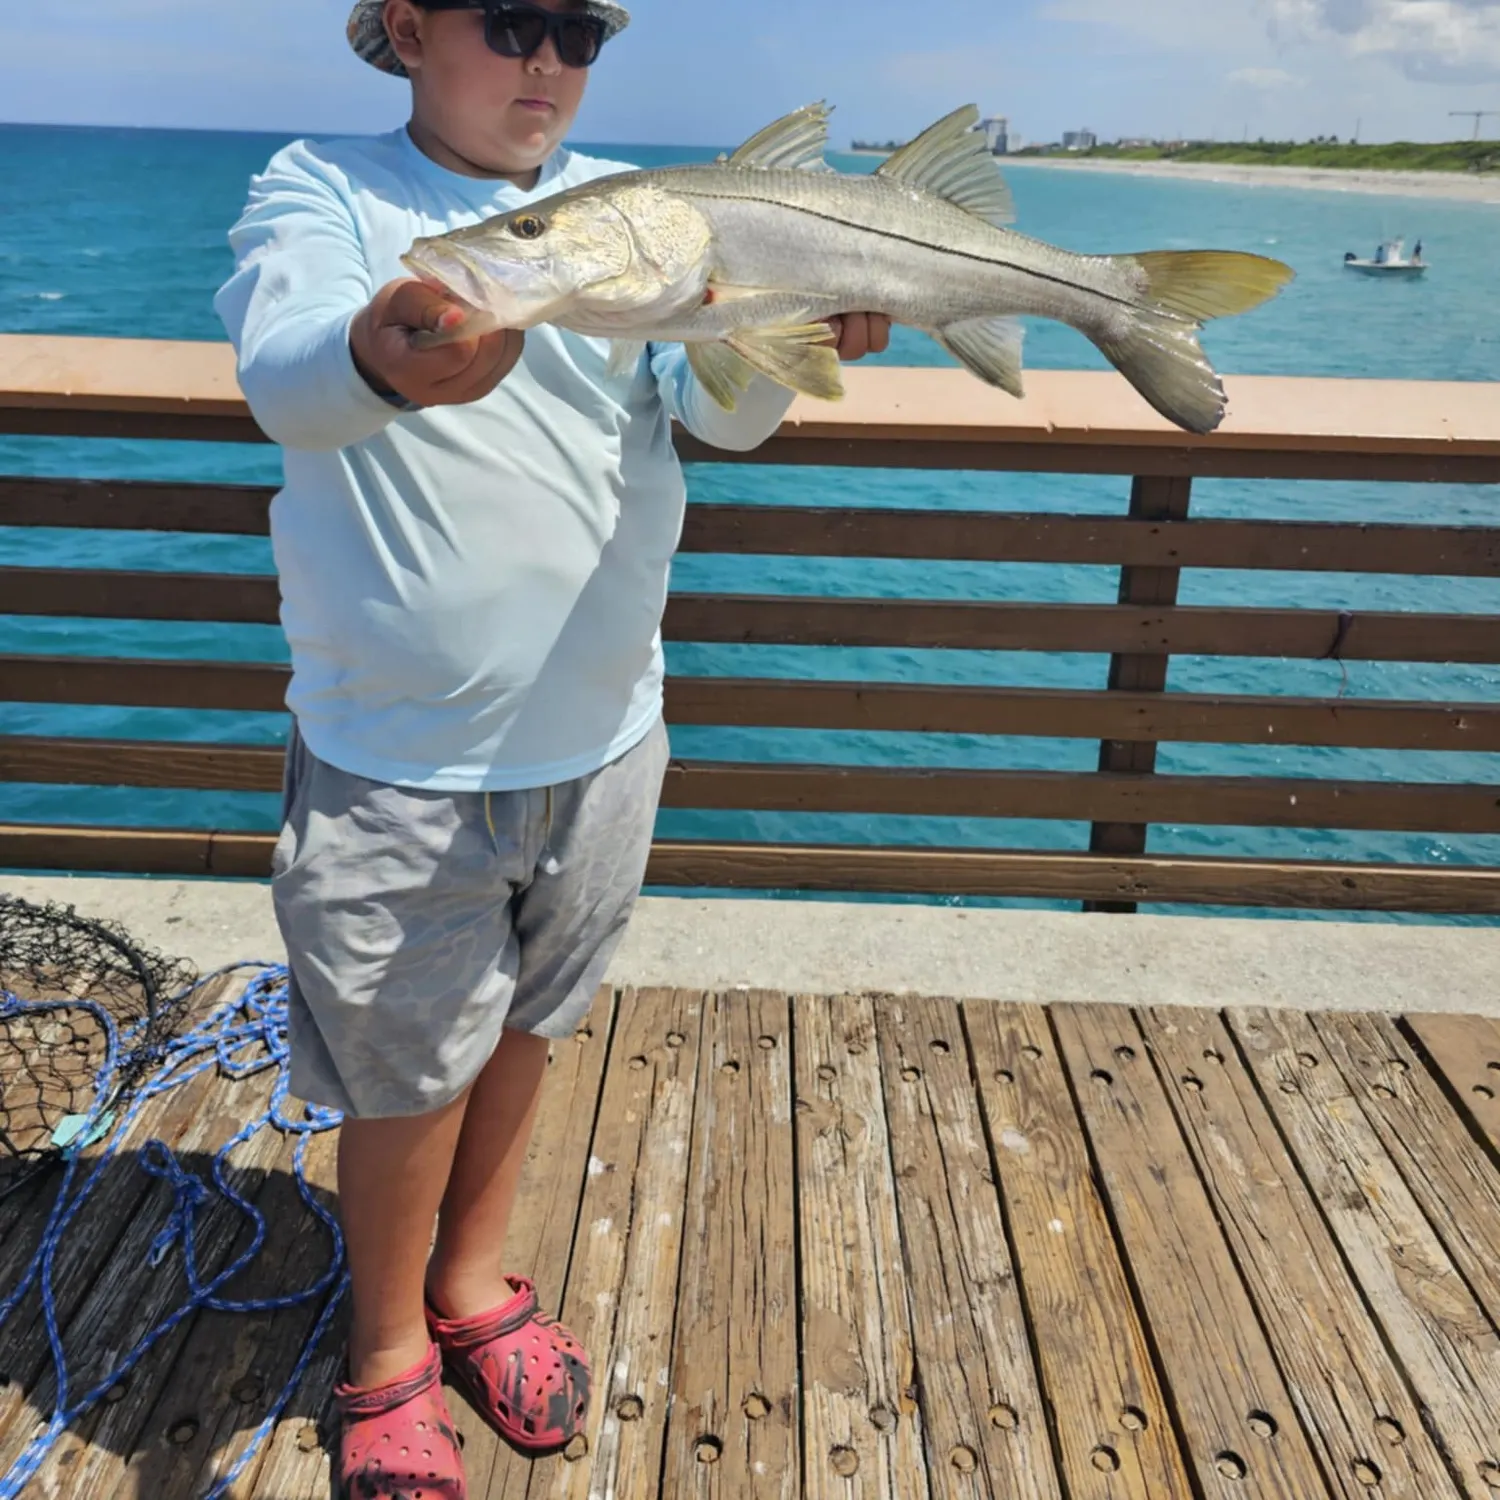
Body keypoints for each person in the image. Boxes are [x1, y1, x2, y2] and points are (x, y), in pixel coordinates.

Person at [213, 2, 890, 1496]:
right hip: (400, 757)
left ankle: (471, 1278)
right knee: (406, 1074)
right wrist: (384, 356)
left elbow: (717, 422)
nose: (549, 63)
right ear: (406, 30)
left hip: (605, 734)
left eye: (578, 32)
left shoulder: (639, 208)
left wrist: (783, 343)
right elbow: (288, 374)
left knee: (526, 1027)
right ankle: (388, 1347)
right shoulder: (326, 188)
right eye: (514, 20)